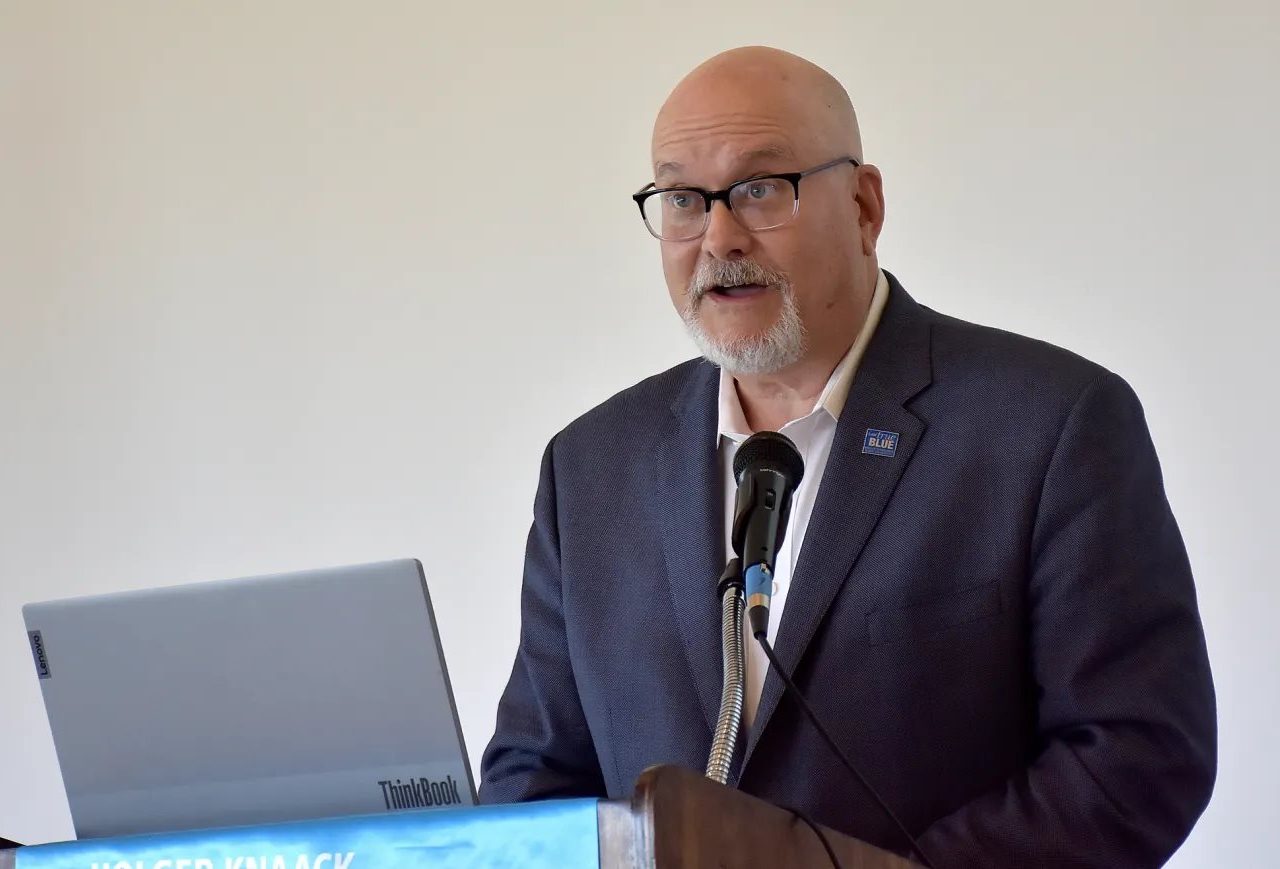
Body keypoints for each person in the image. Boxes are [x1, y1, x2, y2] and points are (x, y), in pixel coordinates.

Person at [478, 46, 1217, 868]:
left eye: (760, 189)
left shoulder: (1050, 424)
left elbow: (1138, 756)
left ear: (865, 207)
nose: (719, 236)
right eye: (684, 198)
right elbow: (534, 780)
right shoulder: (590, 468)